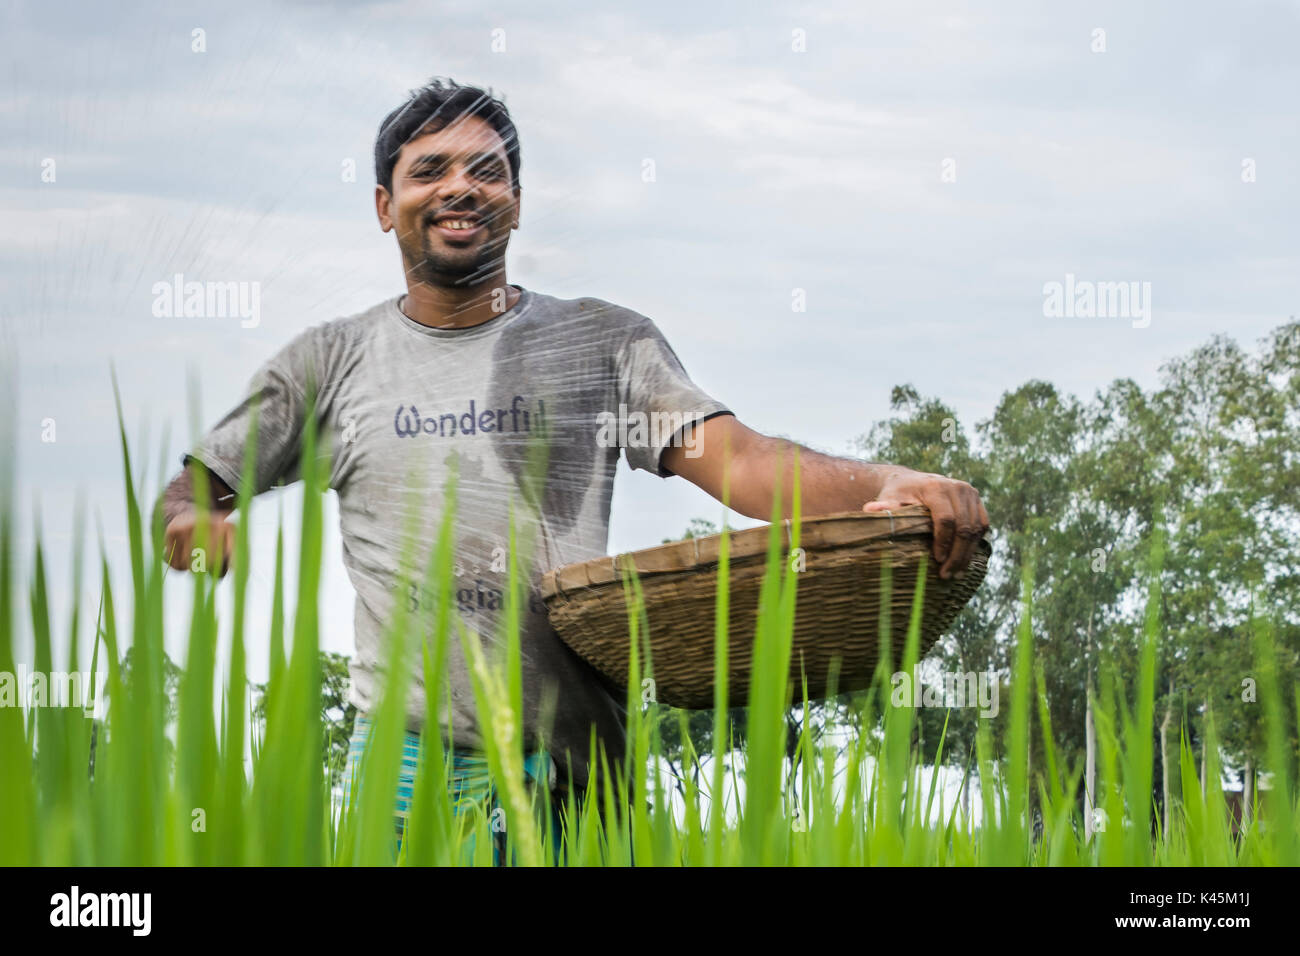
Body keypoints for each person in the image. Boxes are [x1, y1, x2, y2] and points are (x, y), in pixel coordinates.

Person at [157, 77, 989, 866]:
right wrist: (196, 522)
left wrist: (887, 483)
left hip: (581, 761)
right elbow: (196, 488)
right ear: (385, 205)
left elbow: (739, 460)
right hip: (410, 764)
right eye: (429, 171)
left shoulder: (602, 344)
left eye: (488, 170)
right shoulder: (330, 364)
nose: (462, 187)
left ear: (515, 202)